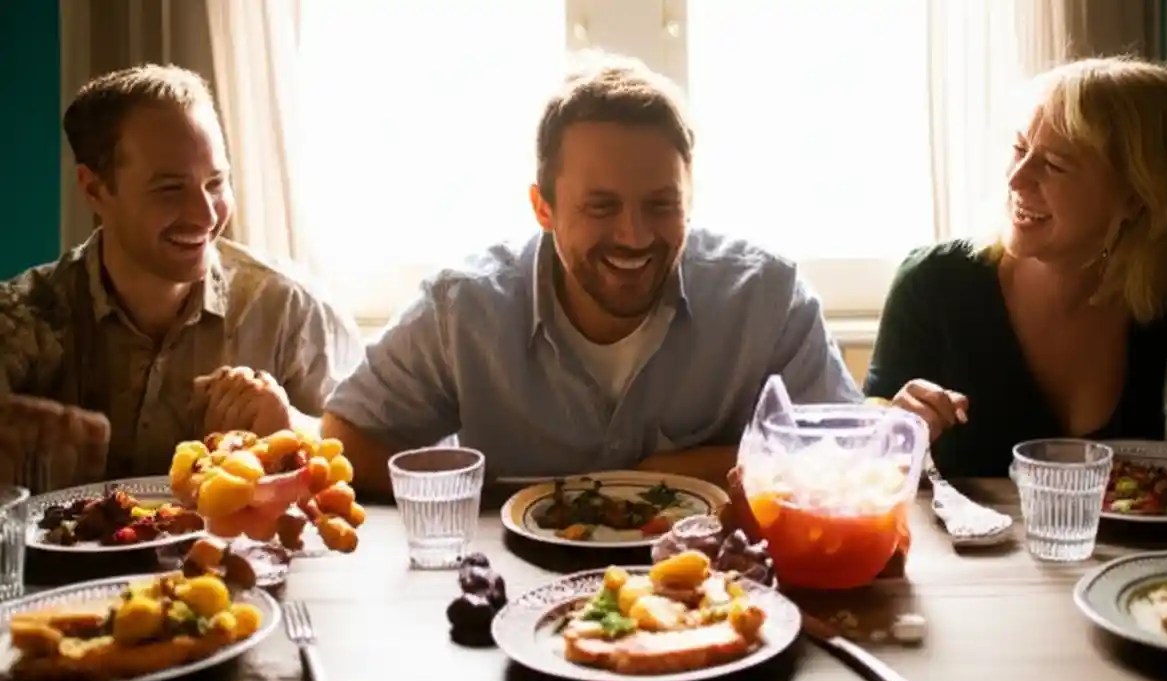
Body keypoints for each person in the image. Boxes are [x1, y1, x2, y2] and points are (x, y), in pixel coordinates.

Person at [322, 53, 859, 498]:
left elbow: (843, 457)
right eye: (601, 207)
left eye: (661, 204)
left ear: (690, 201)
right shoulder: (461, 308)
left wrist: (680, 471)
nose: (634, 236)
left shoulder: (768, 298)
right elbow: (347, 436)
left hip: (716, 587)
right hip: (509, 585)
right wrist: (486, 499)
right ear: (543, 208)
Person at [863, 56, 1167, 479]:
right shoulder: (933, 285)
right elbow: (866, 472)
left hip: (1145, 548)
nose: (1016, 179)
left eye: (1055, 164)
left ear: (1138, 196)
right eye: (1020, 150)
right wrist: (891, 432)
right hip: (967, 547)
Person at [0, 64, 364, 494]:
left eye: (216, 182)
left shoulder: (291, 312)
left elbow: (376, 463)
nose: (206, 216)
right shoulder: (20, 320)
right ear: (94, 189)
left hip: (240, 560)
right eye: (171, 188)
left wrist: (293, 427)